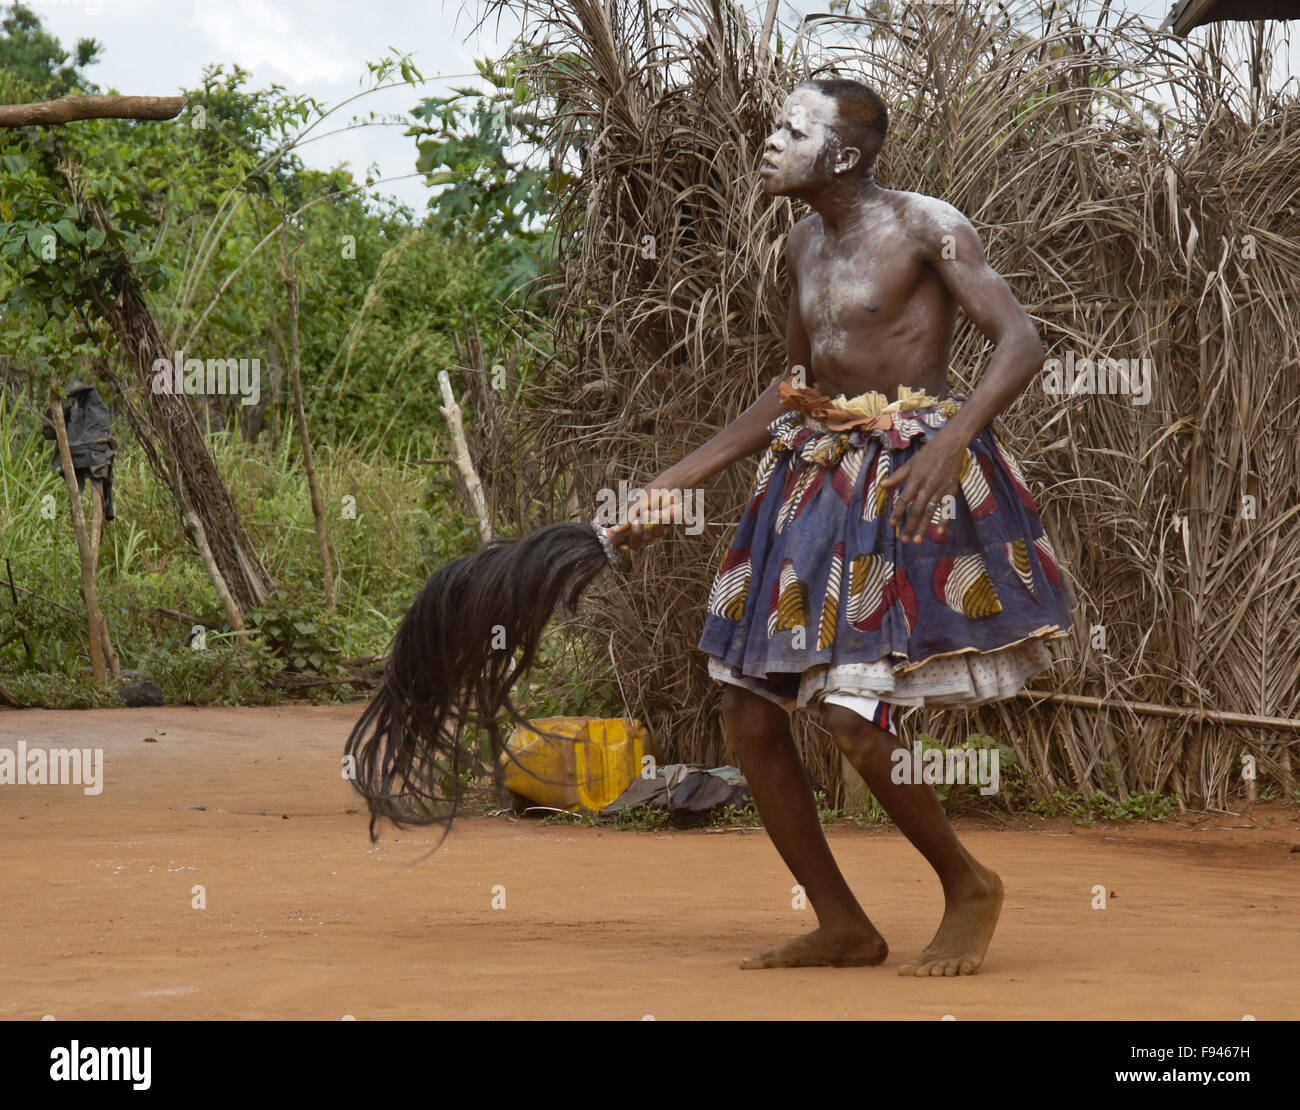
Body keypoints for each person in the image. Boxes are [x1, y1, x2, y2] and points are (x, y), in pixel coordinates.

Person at [606, 79, 1077, 975]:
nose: (770, 142)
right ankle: (843, 924)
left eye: (794, 130)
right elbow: (795, 385)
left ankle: (968, 883)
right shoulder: (801, 242)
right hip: (814, 481)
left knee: (855, 715)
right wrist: (677, 478)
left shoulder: (927, 226)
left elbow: (1020, 343)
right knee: (747, 711)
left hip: (906, 479)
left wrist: (951, 441)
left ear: (847, 156)